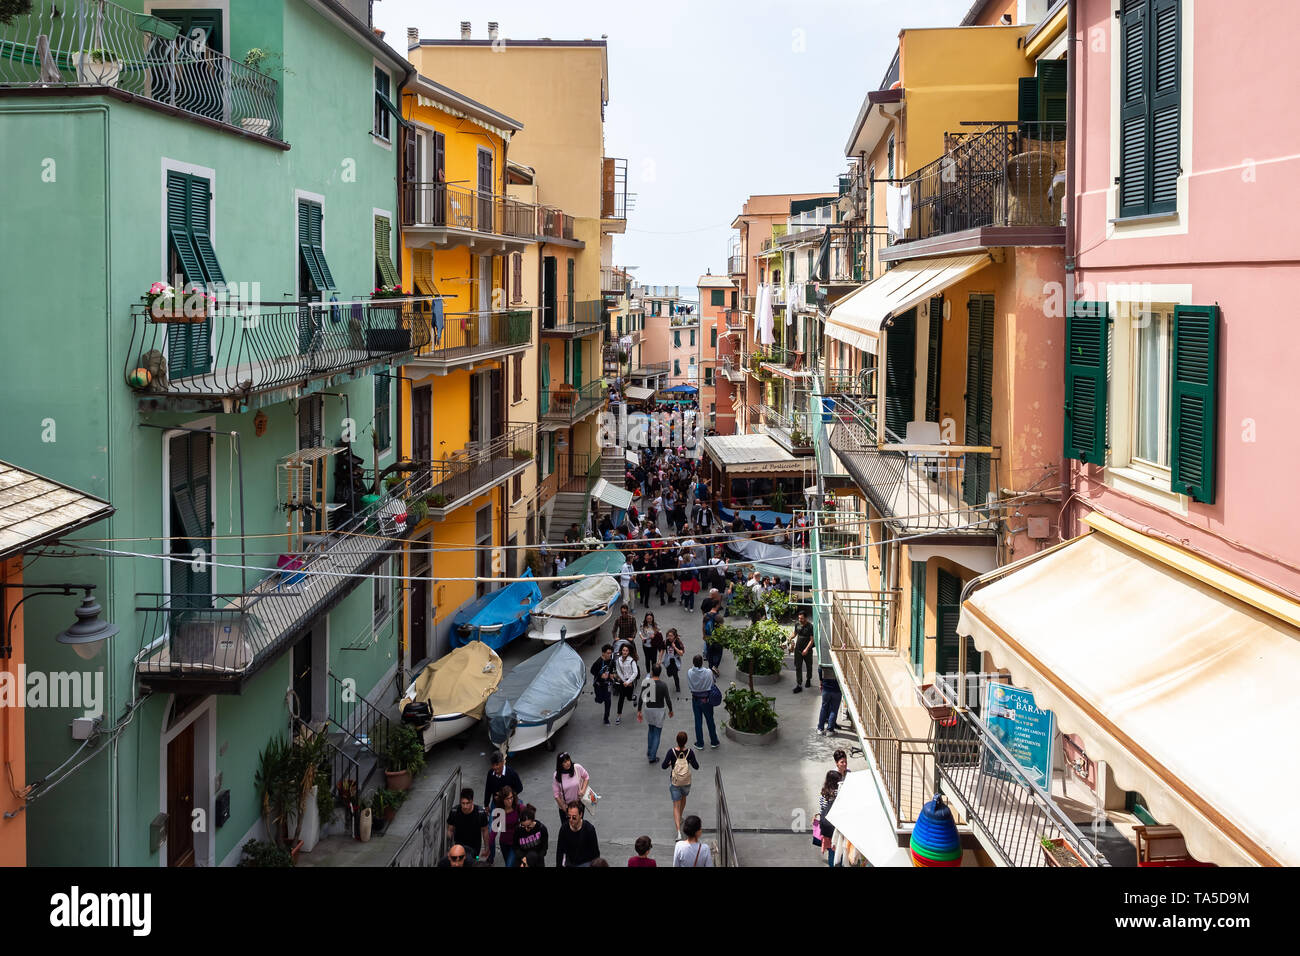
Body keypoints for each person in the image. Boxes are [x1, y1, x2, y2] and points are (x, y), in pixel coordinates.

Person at [483, 750, 523, 863]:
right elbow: (488, 789)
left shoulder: (511, 773)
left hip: (511, 802)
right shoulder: (491, 774)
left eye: (498, 767)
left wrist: (508, 796)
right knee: (492, 830)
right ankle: (490, 857)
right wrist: (486, 804)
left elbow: (520, 787)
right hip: (496, 805)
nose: (496, 770)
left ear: (502, 763)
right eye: (494, 767)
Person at [661, 731, 700, 838]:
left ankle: (678, 831)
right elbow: (697, 766)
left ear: (677, 741)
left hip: (675, 781)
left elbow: (663, 766)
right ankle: (680, 816)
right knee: (683, 798)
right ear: (686, 741)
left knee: (675, 805)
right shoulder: (690, 752)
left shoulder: (671, 752)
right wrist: (690, 761)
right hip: (686, 782)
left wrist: (670, 763)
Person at [636, 663, 674, 763]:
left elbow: (641, 697)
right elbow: (668, 699)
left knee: (651, 730)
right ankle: (652, 757)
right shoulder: (663, 685)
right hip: (659, 711)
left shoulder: (646, 683)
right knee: (657, 733)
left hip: (648, 709)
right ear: (660, 673)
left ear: (652, 672)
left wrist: (639, 710)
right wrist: (671, 710)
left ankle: (649, 751)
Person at [446, 788, 489, 863]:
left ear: (472, 801)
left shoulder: (480, 813)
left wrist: (486, 848)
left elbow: (485, 831)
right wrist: (449, 848)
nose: (465, 806)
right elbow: (450, 830)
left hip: (475, 848)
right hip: (459, 846)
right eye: (463, 803)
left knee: (475, 862)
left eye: (468, 803)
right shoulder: (454, 811)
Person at [687, 654, 721, 749]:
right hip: (707, 700)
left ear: (693, 663)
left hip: (695, 699)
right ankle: (714, 741)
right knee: (710, 720)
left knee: (698, 721)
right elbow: (713, 682)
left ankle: (700, 743)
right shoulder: (708, 672)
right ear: (702, 663)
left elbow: (690, 685)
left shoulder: (689, 672)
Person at [556, 800, 601, 867]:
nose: (571, 820)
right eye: (569, 816)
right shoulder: (564, 828)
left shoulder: (589, 829)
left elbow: (595, 853)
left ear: (581, 815)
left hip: (585, 862)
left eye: (574, 817)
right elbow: (560, 851)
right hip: (570, 862)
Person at [552, 752, 591, 828]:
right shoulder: (557, 775)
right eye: (564, 762)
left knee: (579, 825)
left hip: (579, 804)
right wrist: (565, 809)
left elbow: (586, 777)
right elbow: (556, 795)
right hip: (566, 807)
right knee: (567, 827)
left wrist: (583, 790)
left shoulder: (577, 768)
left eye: (568, 760)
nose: (567, 763)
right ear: (560, 764)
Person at [487, 785, 521, 867]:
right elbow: (494, 831)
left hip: (515, 843)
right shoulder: (500, 811)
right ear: (502, 800)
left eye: (511, 797)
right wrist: (488, 847)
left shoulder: (518, 808)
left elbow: (528, 817)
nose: (510, 800)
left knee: (509, 865)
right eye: (507, 799)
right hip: (504, 843)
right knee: (509, 863)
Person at [819, 770, 842, 866]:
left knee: (831, 852)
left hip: (826, 827)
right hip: (835, 826)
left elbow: (822, 809)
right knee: (838, 850)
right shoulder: (837, 793)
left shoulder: (823, 792)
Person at [590, 644, 617, 725]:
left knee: (608, 700)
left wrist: (612, 675)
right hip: (598, 684)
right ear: (603, 653)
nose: (610, 655)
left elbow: (612, 670)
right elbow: (592, 671)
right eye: (608, 653)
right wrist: (600, 675)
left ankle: (606, 718)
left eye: (611, 653)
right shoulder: (598, 662)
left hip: (607, 684)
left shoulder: (611, 661)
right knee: (600, 700)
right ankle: (598, 698)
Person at [614, 641, 640, 724]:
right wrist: (624, 681)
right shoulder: (618, 660)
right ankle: (618, 716)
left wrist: (628, 682)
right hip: (623, 681)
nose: (624, 652)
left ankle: (634, 697)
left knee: (629, 698)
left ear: (629, 652)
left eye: (626, 651)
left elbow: (635, 673)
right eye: (623, 650)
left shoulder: (632, 661)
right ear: (621, 650)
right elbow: (618, 671)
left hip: (631, 682)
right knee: (621, 698)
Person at [792, 611, 815, 693]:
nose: (800, 620)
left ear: (806, 618)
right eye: (799, 618)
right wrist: (789, 638)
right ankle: (799, 684)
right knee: (798, 666)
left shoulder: (810, 626)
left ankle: (808, 679)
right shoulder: (797, 625)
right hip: (798, 649)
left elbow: (812, 640)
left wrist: (806, 649)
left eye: (801, 618)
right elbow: (794, 634)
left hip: (807, 651)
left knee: (809, 666)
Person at [818, 666, 843, 736]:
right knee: (834, 710)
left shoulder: (825, 661)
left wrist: (821, 681)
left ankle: (820, 729)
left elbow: (820, 669)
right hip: (837, 690)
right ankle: (830, 730)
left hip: (826, 689)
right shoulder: (840, 661)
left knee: (824, 708)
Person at [662, 628, 686, 693]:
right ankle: (671, 672)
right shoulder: (666, 641)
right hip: (668, 659)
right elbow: (662, 649)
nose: (669, 637)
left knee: (675, 674)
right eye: (668, 635)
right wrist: (659, 659)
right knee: (669, 674)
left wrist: (674, 647)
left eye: (671, 636)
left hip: (675, 660)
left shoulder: (678, 642)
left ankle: (677, 687)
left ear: (674, 636)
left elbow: (681, 653)